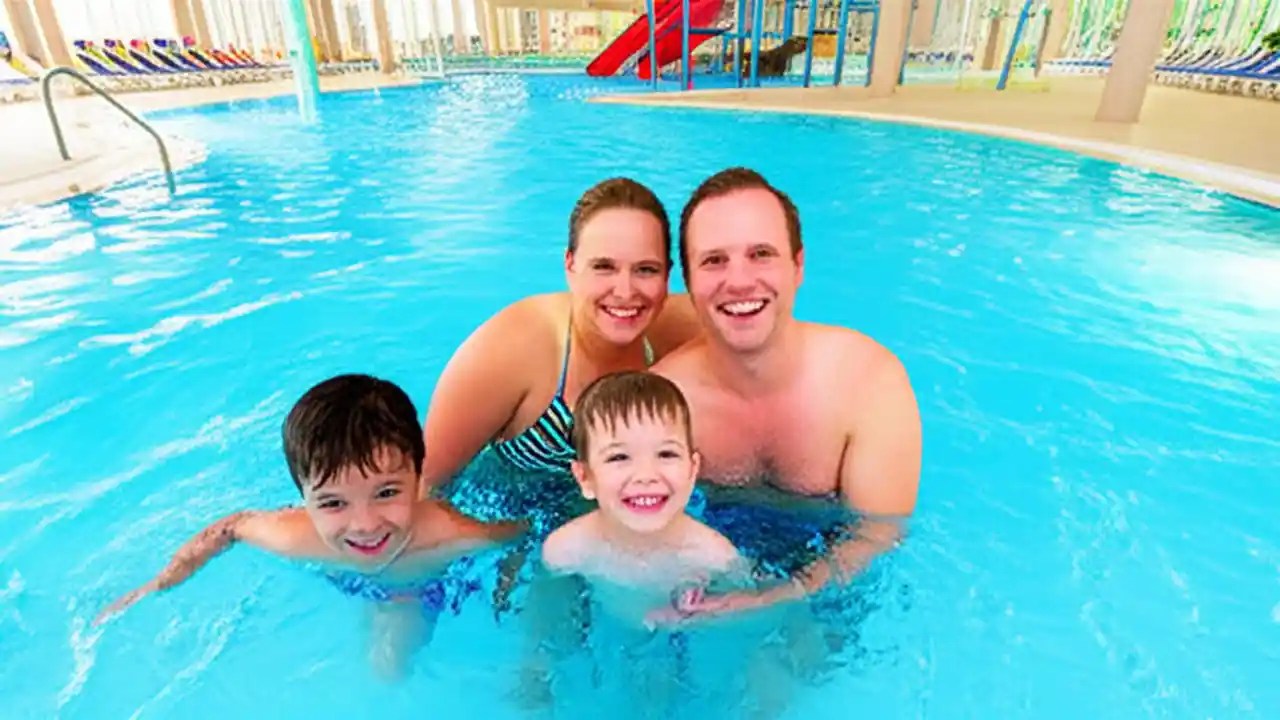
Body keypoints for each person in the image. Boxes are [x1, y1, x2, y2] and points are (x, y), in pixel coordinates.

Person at [95, 373, 527, 676]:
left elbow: (522, 533)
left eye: (387, 493)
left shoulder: (452, 534)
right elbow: (232, 527)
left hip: (412, 585)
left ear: (418, 478)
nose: (364, 524)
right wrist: (162, 582)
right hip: (344, 573)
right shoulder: (293, 535)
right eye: (333, 502)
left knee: (389, 669)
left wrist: (509, 580)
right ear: (304, 497)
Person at [651, 167, 923, 619]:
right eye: (714, 260)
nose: (738, 281)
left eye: (761, 254)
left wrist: (773, 599)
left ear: (798, 266)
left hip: (827, 586)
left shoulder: (869, 383)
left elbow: (877, 537)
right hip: (709, 569)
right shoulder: (663, 401)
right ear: (690, 281)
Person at [420, 177, 699, 509]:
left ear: (667, 276)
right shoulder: (513, 348)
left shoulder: (678, 330)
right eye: (603, 267)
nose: (625, 292)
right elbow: (424, 487)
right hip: (509, 524)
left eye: (645, 270)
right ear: (570, 265)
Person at [540, 370, 744, 622]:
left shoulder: (713, 557)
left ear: (692, 470)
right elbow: (547, 629)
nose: (646, 476)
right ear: (585, 478)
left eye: (666, 454)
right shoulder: (566, 550)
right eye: (619, 457)